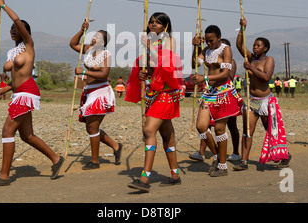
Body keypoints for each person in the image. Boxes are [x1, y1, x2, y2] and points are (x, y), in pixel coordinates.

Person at [0, 0, 63, 187]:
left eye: (16, 28)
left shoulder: (29, 46)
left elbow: (17, 21)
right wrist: (0, 91)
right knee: (26, 135)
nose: (13, 30)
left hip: (27, 93)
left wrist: (4, 6)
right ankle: (55, 158)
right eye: (11, 29)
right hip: (18, 92)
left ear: (24, 32)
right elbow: (14, 82)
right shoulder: (12, 52)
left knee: (7, 132)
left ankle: (4, 176)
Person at [126, 12, 183, 192]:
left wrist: (149, 46)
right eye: (151, 22)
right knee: (167, 135)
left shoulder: (170, 41)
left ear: (165, 26)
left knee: (149, 130)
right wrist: (144, 74)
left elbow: (166, 65)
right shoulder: (148, 44)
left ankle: (144, 178)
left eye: (157, 23)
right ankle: (175, 174)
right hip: (153, 93)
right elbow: (151, 68)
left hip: (166, 94)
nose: (153, 25)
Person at [233, 18, 290, 171]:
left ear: (265, 48)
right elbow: (239, 45)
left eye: (258, 46)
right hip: (251, 101)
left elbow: (266, 77)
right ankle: (244, 161)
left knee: (270, 130)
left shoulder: (268, 60)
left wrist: (250, 67)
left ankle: (285, 154)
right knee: (247, 131)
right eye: (254, 45)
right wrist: (242, 28)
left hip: (265, 101)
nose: (255, 47)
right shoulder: (251, 58)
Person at [191, 26, 243, 177]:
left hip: (223, 92)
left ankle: (222, 166)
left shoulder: (225, 50)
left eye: (211, 40)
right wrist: (195, 47)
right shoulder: (205, 50)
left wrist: (204, 78)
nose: (209, 43)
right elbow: (194, 64)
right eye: (206, 41)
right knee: (201, 127)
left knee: (220, 130)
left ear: (219, 37)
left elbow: (226, 74)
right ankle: (217, 156)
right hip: (209, 93)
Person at [70, 21, 122, 170]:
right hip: (89, 91)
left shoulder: (106, 54)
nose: (94, 38)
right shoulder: (87, 50)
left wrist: (84, 72)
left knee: (92, 128)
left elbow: (104, 74)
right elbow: (73, 44)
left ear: (103, 42)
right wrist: (81, 30)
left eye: (98, 37)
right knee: (91, 127)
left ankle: (95, 161)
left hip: (100, 91)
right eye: (94, 35)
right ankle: (115, 146)